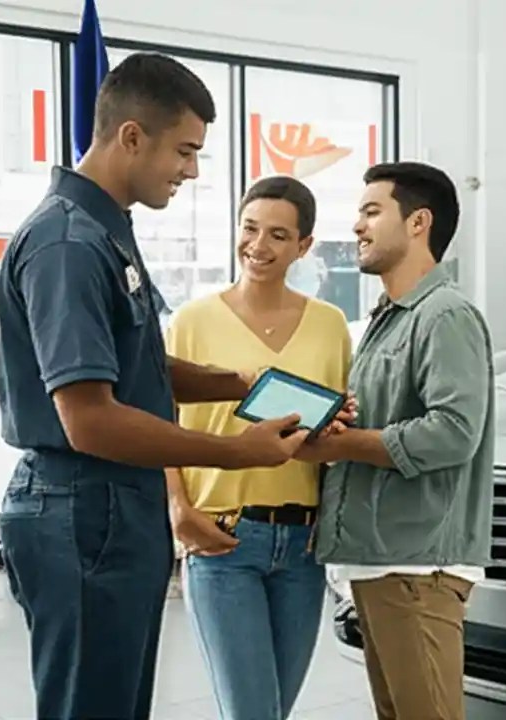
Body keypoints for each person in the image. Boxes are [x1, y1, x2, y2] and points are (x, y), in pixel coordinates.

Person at [0, 53, 327, 720]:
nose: (192, 171)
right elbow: (90, 419)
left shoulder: (107, 231)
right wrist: (239, 451)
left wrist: (238, 384)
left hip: (114, 504)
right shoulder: (69, 244)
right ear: (132, 138)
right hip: (82, 502)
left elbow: (137, 365)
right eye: (185, 151)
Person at [299, 161, 496, 720]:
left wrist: (341, 446)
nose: (357, 227)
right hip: (382, 562)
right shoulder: (389, 319)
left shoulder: (445, 315)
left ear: (418, 223)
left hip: (417, 567)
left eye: (370, 211)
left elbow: (454, 432)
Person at [162, 174, 352, 720]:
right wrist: (178, 509)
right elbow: (163, 425)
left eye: (277, 235)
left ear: (303, 246)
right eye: (249, 229)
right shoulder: (191, 322)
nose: (258, 246)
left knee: (273, 711)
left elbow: (329, 430)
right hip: (222, 538)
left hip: (303, 546)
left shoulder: (330, 325)